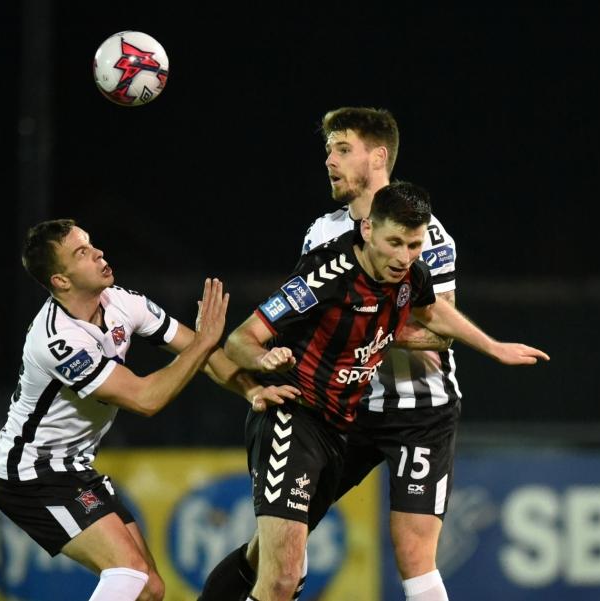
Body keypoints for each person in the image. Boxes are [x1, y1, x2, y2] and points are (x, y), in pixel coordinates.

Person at [201, 182, 548, 601]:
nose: (404, 257)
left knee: (273, 567)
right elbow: (241, 338)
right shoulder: (323, 276)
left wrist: (492, 346)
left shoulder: (411, 274)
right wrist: (262, 360)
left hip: (336, 430)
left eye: (414, 245)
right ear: (367, 230)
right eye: (395, 243)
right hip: (293, 417)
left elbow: (433, 310)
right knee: (281, 578)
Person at [200, 107, 461, 601]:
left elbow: (438, 333)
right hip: (338, 413)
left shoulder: (425, 235)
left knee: (415, 557)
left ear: (378, 156)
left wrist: (364, 330)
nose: (329, 160)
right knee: (272, 553)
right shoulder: (323, 233)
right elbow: (303, 319)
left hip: (418, 412)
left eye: (342, 149)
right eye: (328, 150)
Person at [0, 219, 299, 601]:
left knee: (150, 587)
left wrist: (253, 391)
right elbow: (145, 398)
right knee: (129, 573)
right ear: (61, 281)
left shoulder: (122, 302)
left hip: (73, 470)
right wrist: (203, 343)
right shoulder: (56, 340)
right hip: (30, 475)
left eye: (92, 244)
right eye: (81, 253)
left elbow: (203, 354)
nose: (99, 253)